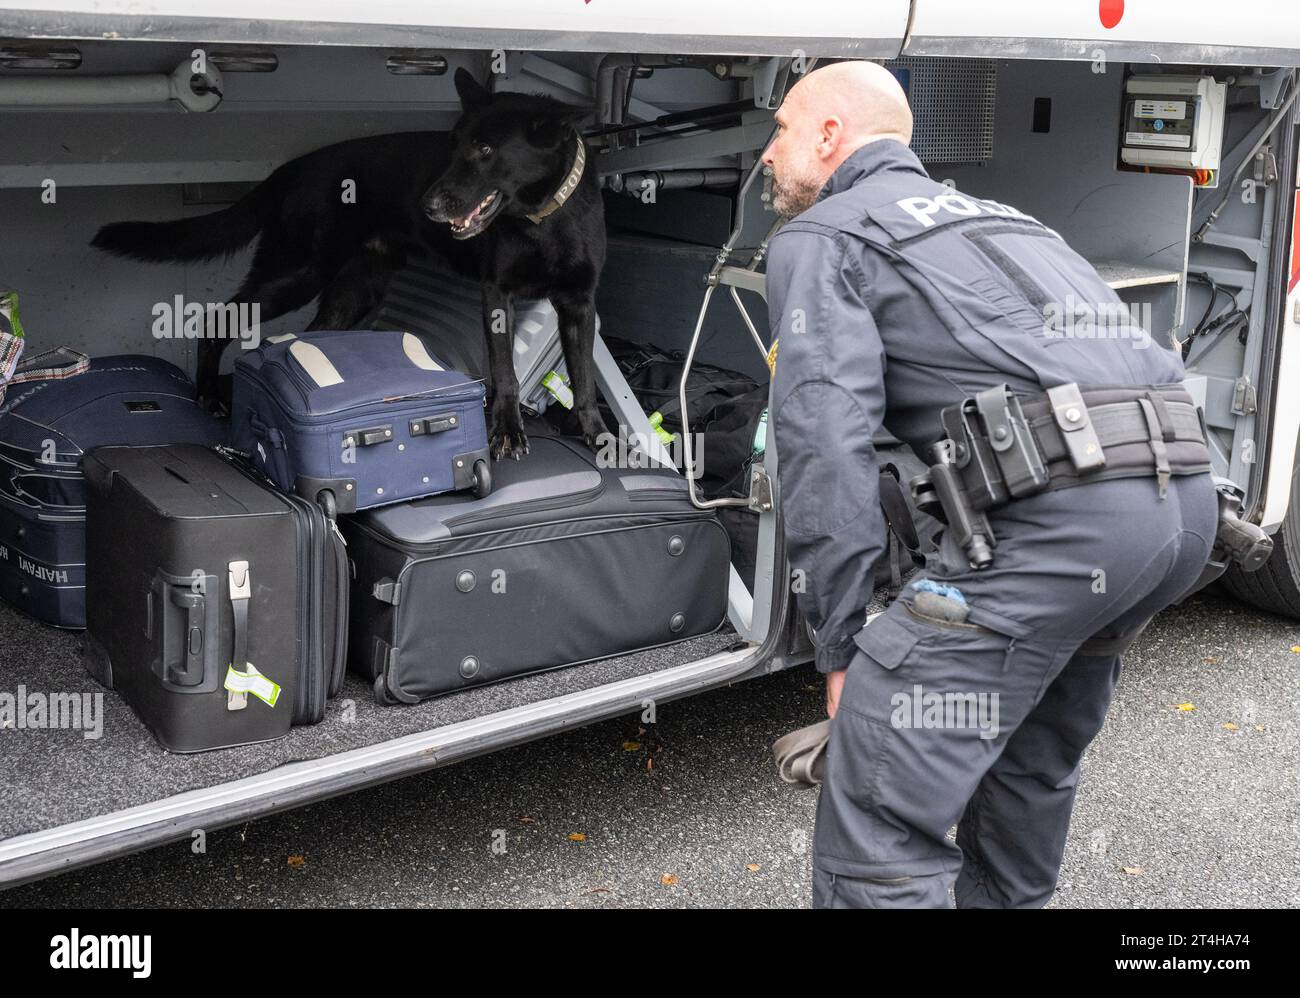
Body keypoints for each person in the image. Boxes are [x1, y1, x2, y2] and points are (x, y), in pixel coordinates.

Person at [761, 61, 1219, 908]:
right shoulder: (1007, 218)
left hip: (1061, 524)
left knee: (883, 816)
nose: (767, 154)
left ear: (830, 136)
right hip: (1177, 512)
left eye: (781, 129)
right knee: (1023, 776)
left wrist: (845, 641)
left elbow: (825, 445)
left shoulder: (822, 237)